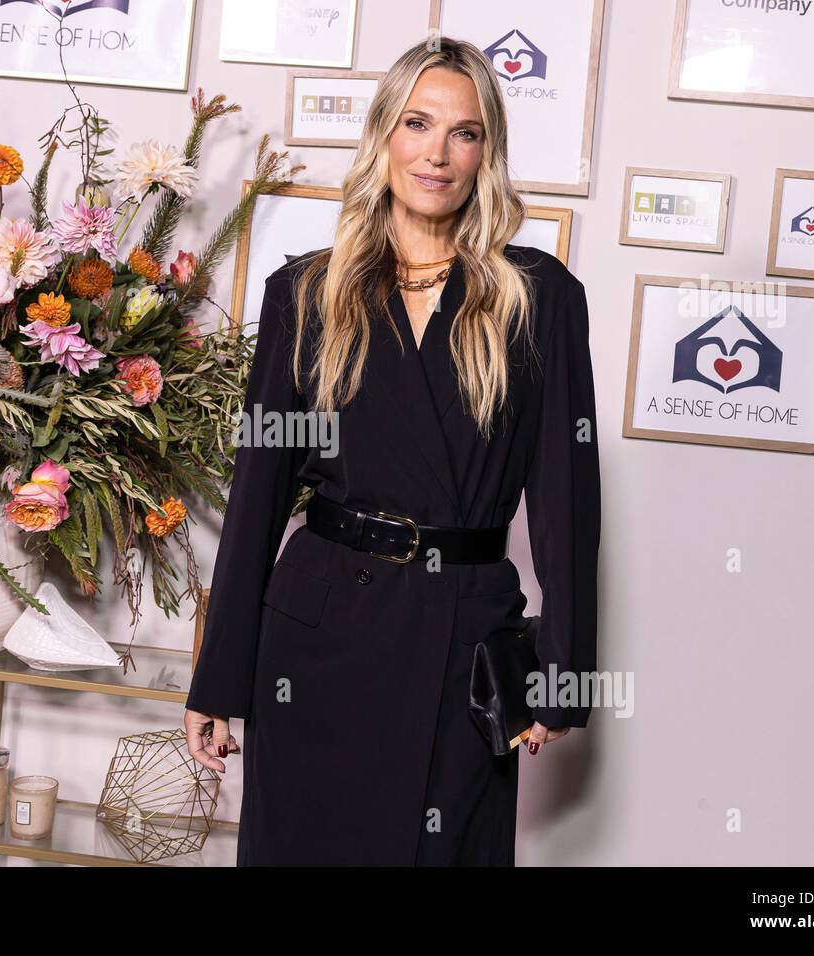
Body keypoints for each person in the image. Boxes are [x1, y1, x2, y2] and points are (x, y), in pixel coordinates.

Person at [183, 36, 601, 866]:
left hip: (462, 641)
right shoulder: (306, 291)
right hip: (318, 637)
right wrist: (219, 677)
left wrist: (567, 672)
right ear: (383, 136)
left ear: (488, 153)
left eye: (466, 132)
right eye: (418, 123)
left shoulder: (539, 297)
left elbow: (566, 503)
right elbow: (257, 496)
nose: (438, 154)